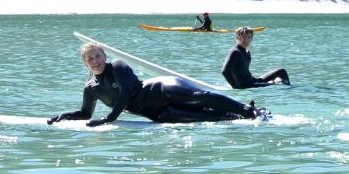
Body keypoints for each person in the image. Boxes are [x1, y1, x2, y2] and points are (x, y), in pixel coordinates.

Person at [47, 43, 268, 126]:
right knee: (207, 117)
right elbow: (85, 113)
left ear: (104, 56)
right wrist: (63, 116)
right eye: (90, 59)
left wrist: (109, 119)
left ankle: (249, 110)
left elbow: (125, 93)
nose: (95, 61)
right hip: (158, 113)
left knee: (199, 96)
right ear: (85, 63)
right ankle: (238, 118)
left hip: (161, 89)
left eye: (98, 56)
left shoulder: (117, 65)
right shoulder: (90, 88)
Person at [221, 26, 290, 89]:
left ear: (251, 38)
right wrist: (235, 86)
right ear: (237, 38)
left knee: (281, 71)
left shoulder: (247, 52)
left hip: (253, 81)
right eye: (242, 37)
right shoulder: (235, 52)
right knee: (277, 84)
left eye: (248, 37)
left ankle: (289, 89)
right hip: (246, 85)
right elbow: (225, 71)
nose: (245, 40)